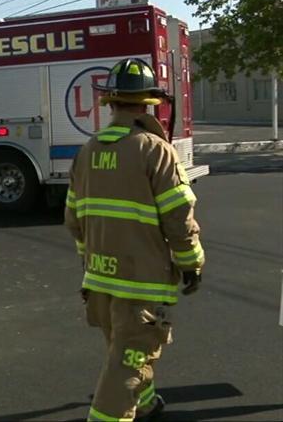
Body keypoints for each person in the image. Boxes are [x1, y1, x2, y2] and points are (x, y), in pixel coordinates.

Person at [64, 58, 204, 422]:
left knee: (125, 350)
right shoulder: (155, 150)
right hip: (139, 285)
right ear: (148, 102)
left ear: (109, 102)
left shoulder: (86, 152)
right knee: (128, 363)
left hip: (99, 281)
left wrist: (90, 260)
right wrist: (192, 264)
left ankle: (145, 404)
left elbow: (74, 219)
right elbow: (178, 217)